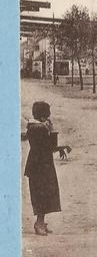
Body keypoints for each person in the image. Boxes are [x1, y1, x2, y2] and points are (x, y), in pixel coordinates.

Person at [24, 101, 63, 236]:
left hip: (41, 163)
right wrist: (53, 131)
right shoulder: (38, 128)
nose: (49, 115)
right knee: (42, 193)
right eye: (47, 112)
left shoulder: (35, 126)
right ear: (43, 114)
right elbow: (51, 146)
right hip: (40, 165)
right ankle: (39, 223)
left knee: (45, 192)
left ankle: (41, 221)